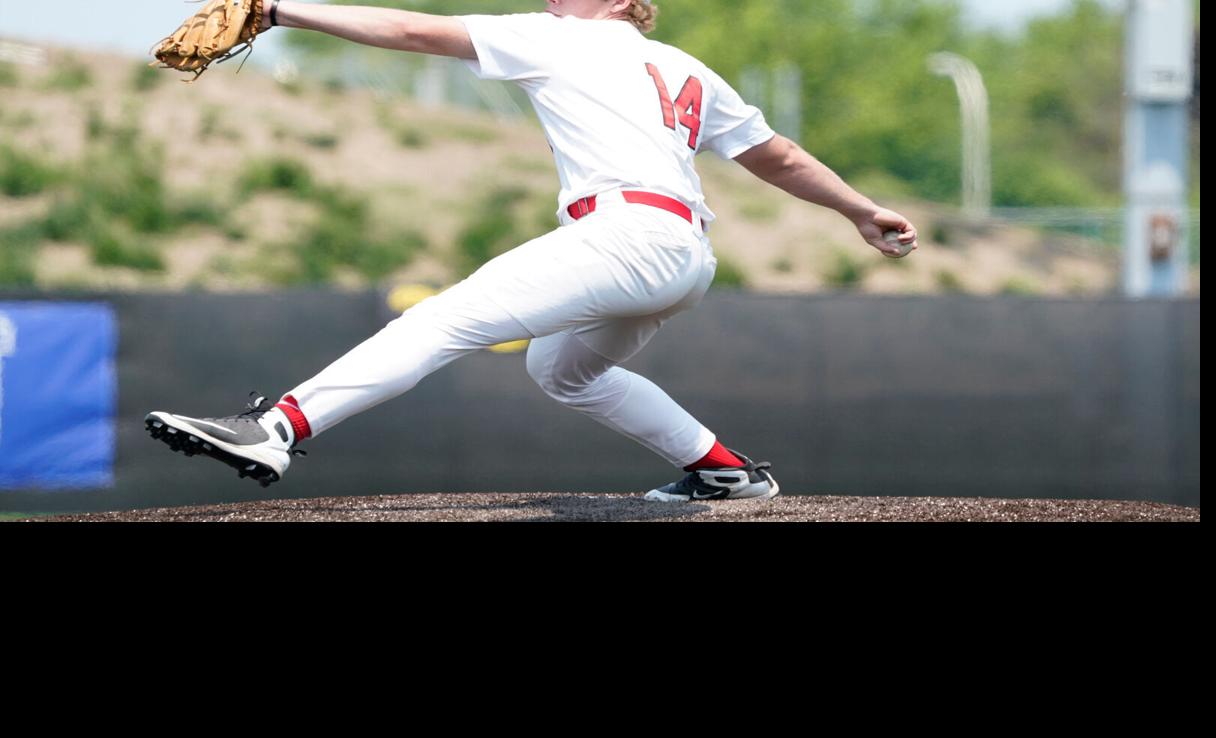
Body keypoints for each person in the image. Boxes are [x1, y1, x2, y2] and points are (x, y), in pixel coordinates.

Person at [145, 0, 918, 502]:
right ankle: (722, 470)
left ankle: (276, 428)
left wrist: (280, 8)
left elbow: (416, 31)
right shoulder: (684, 67)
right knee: (563, 369)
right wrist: (859, 209)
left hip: (626, 236)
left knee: (441, 320)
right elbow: (774, 154)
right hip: (682, 254)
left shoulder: (561, 39)